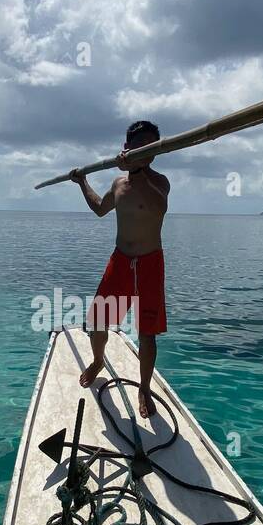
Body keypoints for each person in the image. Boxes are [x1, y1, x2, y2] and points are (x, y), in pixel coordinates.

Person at [72, 120, 169, 420]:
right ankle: (99, 360)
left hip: (150, 263)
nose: (148, 153)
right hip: (120, 260)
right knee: (97, 322)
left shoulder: (159, 182)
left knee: (147, 334)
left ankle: (143, 387)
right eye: (142, 145)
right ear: (127, 147)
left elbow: (159, 206)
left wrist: (138, 171)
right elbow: (101, 209)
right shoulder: (118, 184)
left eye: (153, 147)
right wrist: (82, 181)